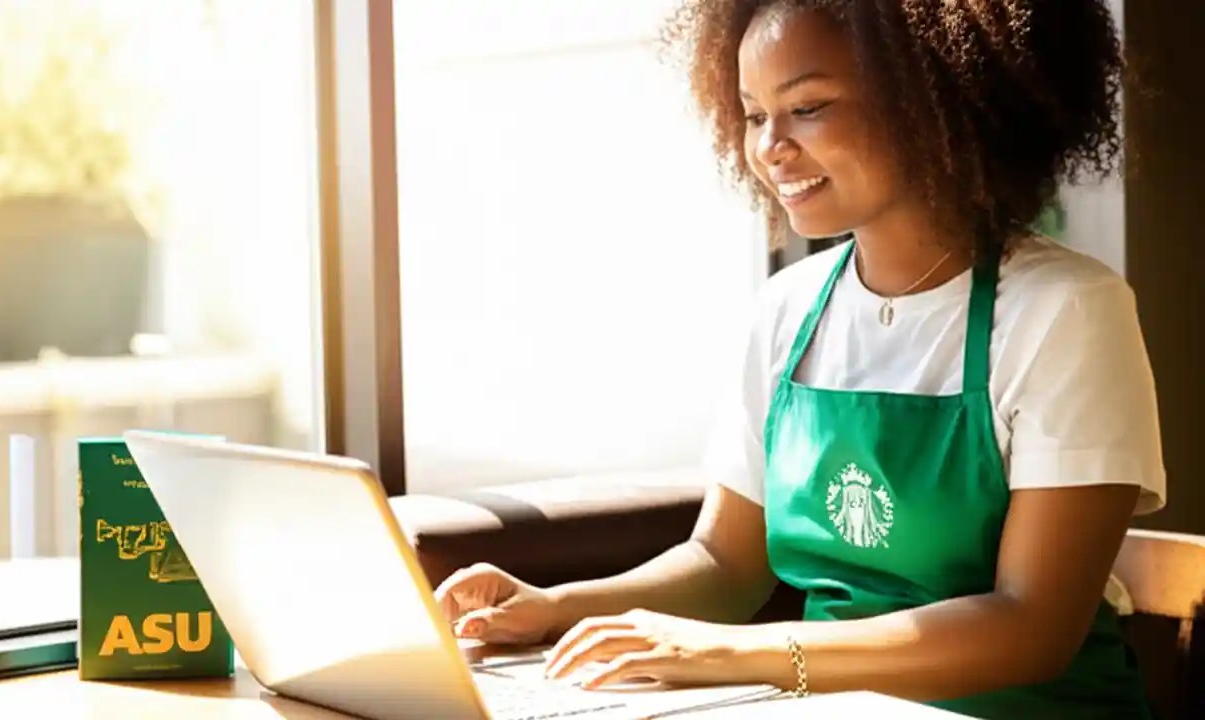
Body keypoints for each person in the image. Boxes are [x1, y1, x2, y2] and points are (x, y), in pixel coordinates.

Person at [434, 1, 1166, 717]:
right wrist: (550, 607)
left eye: (808, 107)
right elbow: (725, 566)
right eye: (754, 114)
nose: (769, 146)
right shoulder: (789, 309)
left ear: (932, 96)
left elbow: (1030, 628)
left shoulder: (1065, 310)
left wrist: (732, 656)